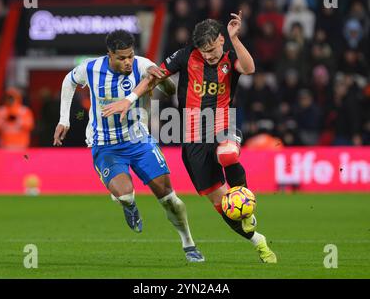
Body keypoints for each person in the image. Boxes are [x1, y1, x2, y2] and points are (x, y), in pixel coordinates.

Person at [103, 13, 277, 263]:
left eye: (210, 49)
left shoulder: (230, 56)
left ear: (220, 40)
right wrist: (128, 100)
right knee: (224, 207)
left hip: (222, 123)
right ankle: (258, 241)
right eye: (202, 51)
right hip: (193, 137)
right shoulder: (185, 56)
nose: (207, 55)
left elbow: (249, 68)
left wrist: (235, 38)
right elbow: (154, 77)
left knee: (227, 154)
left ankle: (246, 203)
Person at [53, 30, 204, 262]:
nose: (127, 62)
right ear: (109, 55)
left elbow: (170, 91)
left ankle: (189, 243)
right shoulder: (91, 69)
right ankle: (129, 205)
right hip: (106, 145)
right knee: (125, 196)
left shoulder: (142, 65)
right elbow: (68, 81)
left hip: (138, 141)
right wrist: (64, 119)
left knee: (170, 199)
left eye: (130, 56)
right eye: (121, 58)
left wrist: (162, 80)